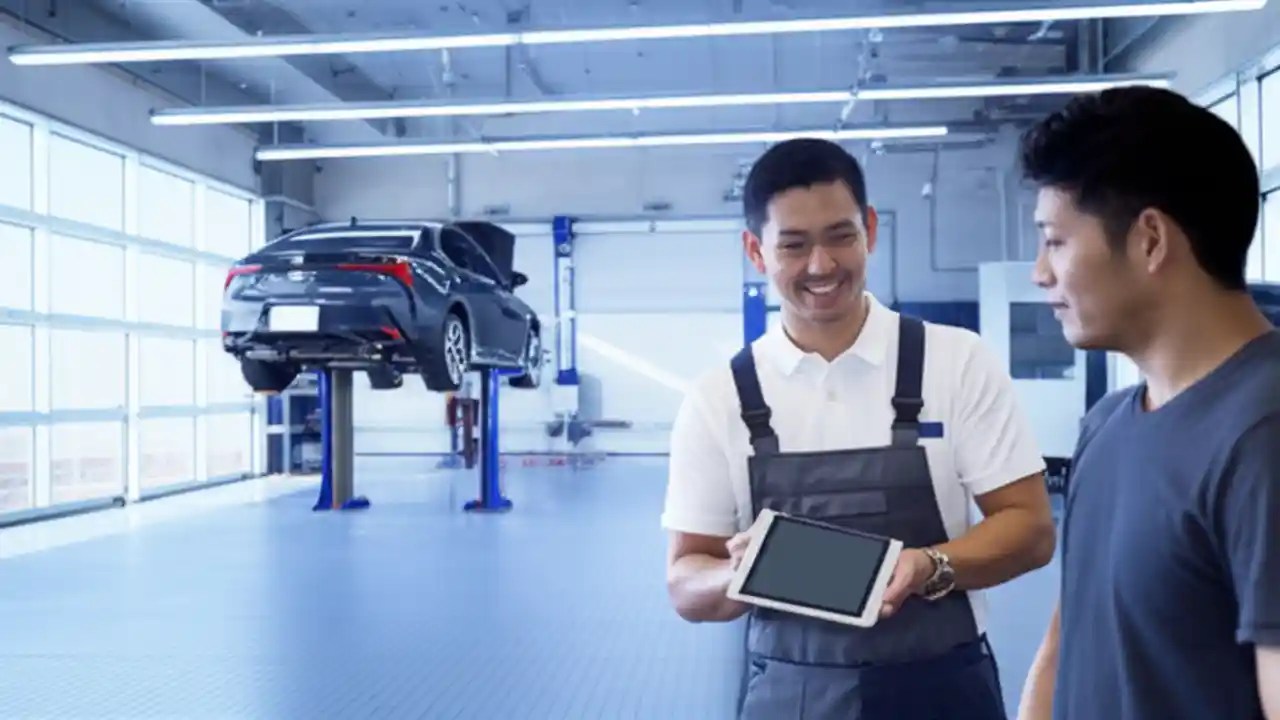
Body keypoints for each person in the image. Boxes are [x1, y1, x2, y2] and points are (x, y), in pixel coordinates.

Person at [661, 137, 1058, 720]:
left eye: (840, 236)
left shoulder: (955, 361)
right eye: (793, 246)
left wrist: (930, 566)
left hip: (944, 690)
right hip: (789, 697)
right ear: (755, 250)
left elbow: (1030, 530)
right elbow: (684, 581)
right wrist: (740, 576)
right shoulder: (717, 398)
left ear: (869, 229)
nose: (821, 266)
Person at [1015, 86, 1280, 720]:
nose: (1039, 273)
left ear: (1150, 239)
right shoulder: (1107, 425)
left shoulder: (1262, 437)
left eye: (1054, 241)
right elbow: (1063, 647)